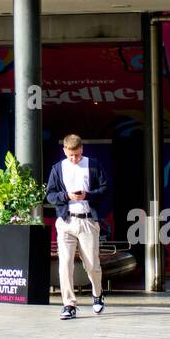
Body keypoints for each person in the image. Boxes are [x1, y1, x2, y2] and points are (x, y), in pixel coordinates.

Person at [45, 134, 107, 320]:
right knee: (65, 264)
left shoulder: (93, 165)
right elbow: (50, 195)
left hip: (88, 220)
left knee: (92, 264)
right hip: (66, 221)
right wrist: (67, 197)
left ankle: (97, 294)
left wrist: (87, 195)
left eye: (78, 155)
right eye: (71, 155)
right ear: (64, 151)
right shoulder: (57, 169)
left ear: (82, 150)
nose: (74, 159)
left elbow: (105, 189)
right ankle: (69, 304)